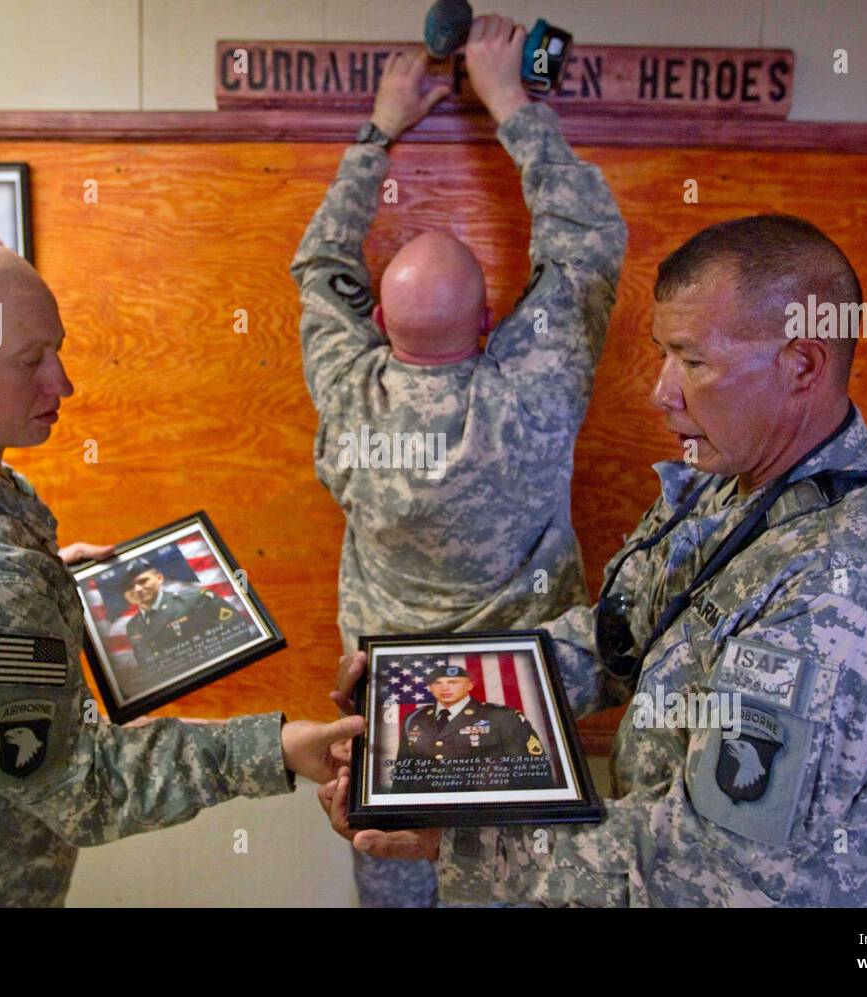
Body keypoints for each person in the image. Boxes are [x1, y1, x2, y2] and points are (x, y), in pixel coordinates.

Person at [323, 214, 867, 907]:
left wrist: (457, 840)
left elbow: (708, 868)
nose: (661, 391)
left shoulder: (840, 591)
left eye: (693, 361)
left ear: (801, 364)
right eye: (663, 354)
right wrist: (426, 690)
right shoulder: (730, 480)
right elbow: (618, 636)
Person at [0, 238, 361, 907]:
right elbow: (83, 788)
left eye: (56, 349)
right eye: (30, 360)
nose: (62, 382)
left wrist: (42, 587)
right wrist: (278, 744)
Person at [290, 14, 625, 906]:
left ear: (378, 328)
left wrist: (380, 128)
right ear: (489, 327)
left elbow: (321, 263)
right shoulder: (535, 389)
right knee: (539, 887)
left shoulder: (348, 396)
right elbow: (585, 244)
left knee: (398, 887)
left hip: (393, 723)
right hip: (525, 713)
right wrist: (510, 100)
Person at [391, 663, 552, 793]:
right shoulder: (415, 718)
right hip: (427, 809)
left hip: (485, 807)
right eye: (437, 683)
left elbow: (531, 769)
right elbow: (404, 771)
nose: (444, 688)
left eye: (453, 682)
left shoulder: (502, 717)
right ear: (430, 687)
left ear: (470, 685)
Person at [121, 557, 253, 673]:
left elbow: (238, 633)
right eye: (131, 586)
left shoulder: (195, 600)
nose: (137, 589)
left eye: (143, 581)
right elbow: (147, 666)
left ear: (159, 578)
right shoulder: (133, 626)